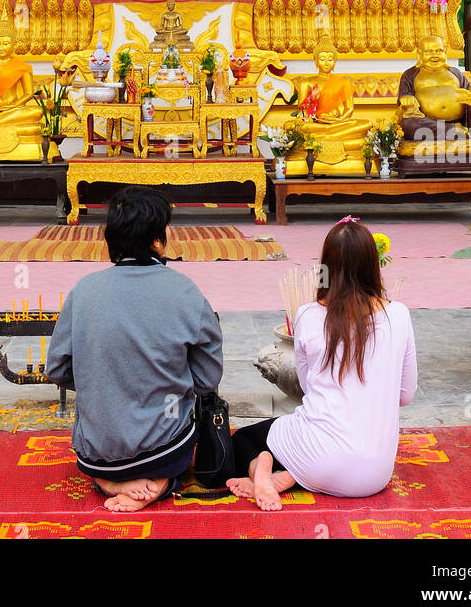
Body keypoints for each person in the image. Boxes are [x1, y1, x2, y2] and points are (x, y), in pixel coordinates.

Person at [46, 186, 223, 512]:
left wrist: (100, 381)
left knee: (101, 453)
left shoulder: (84, 290)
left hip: (97, 453)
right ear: (157, 240)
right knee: (181, 428)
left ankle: (108, 480)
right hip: (167, 450)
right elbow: (208, 378)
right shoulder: (185, 291)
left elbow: (56, 368)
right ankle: (163, 482)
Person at [227, 218, 417, 511]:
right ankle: (291, 474)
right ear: (373, 265)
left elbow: (306, 387)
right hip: (377, 474)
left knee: (243, 441)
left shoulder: (308, 315)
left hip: (319, 458)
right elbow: (405, 395)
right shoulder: (400, 315)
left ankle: (263, 469)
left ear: (326, 267)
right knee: (303, 439)